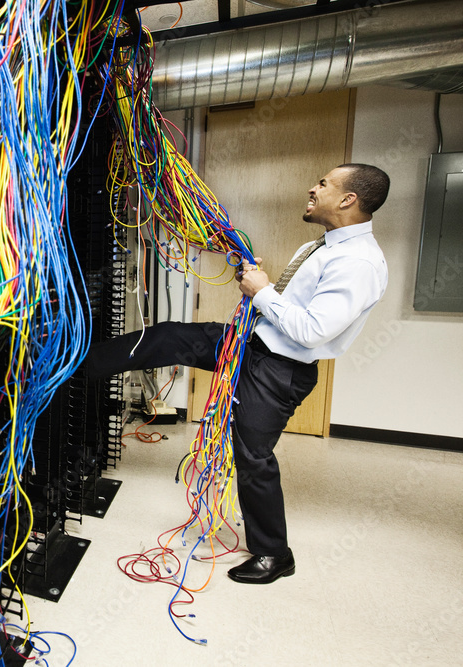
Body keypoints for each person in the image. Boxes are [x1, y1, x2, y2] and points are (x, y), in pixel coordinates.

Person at [83, 163, 390, 584]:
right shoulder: (322, 246)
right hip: (251, 342)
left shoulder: (359, 262)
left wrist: (261, 292)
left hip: (280, 368)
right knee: (169, 337)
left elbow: (314, 329)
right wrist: (255, 282)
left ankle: (274, 554)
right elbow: (290, 306)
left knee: (253, 457)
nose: (312, 187)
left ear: (348, 199)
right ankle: (71, 367)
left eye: (323, 183)